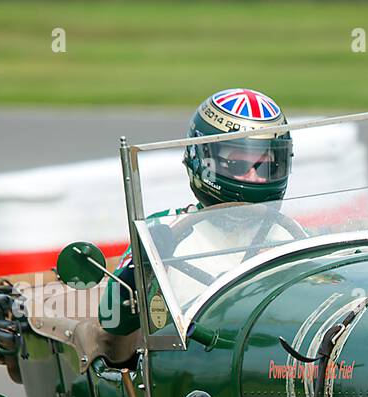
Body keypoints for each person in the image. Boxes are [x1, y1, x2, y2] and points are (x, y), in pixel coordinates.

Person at [100, 87, 298, 333]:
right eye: (238, 164)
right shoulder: (163, 229)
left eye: (266, 167)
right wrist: (142, 268)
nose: (255, 178)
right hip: (189, 364)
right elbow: (112, 322)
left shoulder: (290, 234)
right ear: (203, 163)